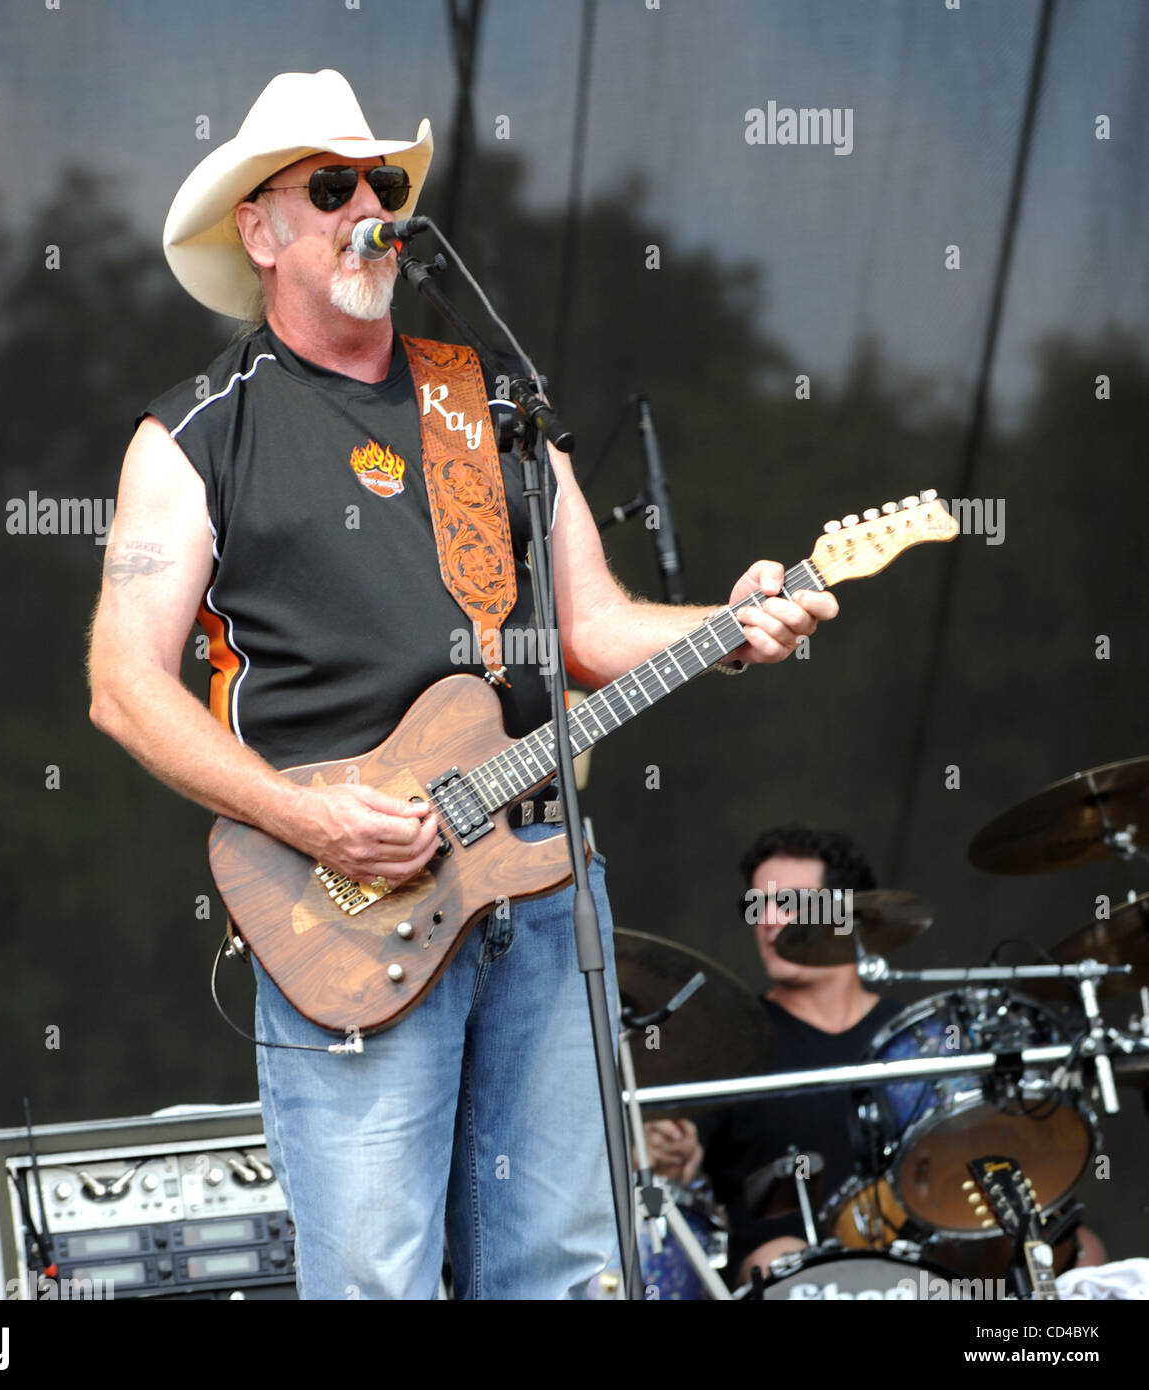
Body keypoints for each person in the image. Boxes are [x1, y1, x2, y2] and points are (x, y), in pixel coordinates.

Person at [86, 70, 837, 1300]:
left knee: (569, 1272)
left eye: (382, 182)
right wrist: (309, 817)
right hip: (343, 897)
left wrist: (735, 624)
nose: (367, 205)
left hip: (539, 883)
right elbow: (123, 684)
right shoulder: (193, 436)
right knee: (378, 1277)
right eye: (330, 188)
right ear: (260, 231)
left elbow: (591, 627)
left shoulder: (484, 400)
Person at [646, 825, 1107, 1286]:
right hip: (791, 1273)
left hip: (924, 1262)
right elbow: (679, 1156)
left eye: (787, 902)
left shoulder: (920, 1039)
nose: (767, 918)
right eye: (757, 903)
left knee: (1081, 1249)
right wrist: (670, 1152)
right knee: (788, 1260)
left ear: (850, 915)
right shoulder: (730, 1042)